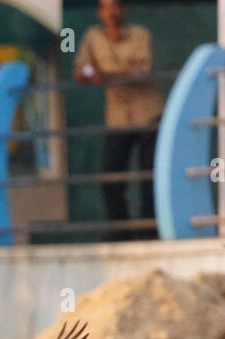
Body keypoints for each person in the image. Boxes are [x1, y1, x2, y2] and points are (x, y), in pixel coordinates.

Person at [73, 0, 163, 238]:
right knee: (111, 176)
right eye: (106, 7)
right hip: (118, 118)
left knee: (149, 177)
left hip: (148, 114)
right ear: (99, 12)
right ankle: (121, 231)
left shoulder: (140, 34)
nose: (111, 12)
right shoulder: (91, 37)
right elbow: (80, 69)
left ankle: (149, 231)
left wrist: (105, 75)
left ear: (123, 9)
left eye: (115, 6)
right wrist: (93, 73)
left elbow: (142, 72)